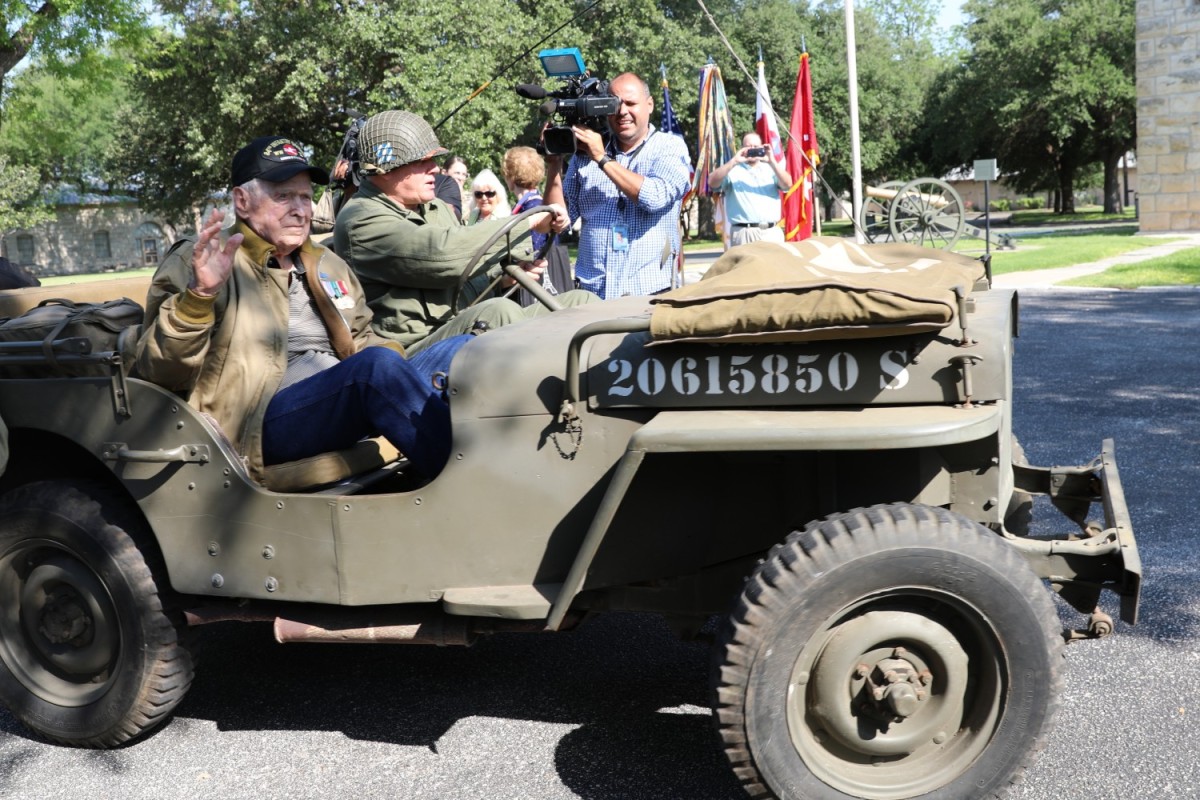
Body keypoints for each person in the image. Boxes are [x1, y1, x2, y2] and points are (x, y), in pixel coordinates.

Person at [134, 135, 469, 483]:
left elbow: (363, 340)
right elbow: (158, 374)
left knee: (465, 351)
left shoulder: (326, 264)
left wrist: (411, 379)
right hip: (259, 422)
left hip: (342, 399)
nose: (300, 209)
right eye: (283, 196)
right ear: (242, 201)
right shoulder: (203, 260)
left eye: (306, 197)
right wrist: (200, 296)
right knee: (374, 372)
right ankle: (472, 485)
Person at [333, 110, 596, 354]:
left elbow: (458, 282)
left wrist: (501, 278)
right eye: (422, 161)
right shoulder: (360, 218)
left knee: (581, 302)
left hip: (456, 326)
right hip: (410, 351)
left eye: (433, 160)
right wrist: (528, 221)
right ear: (384, 168)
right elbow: (440, 254)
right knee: (498, 313)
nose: (434, 169)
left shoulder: (434, 208)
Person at [544, 72, 692, 299]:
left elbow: (654, 197)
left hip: (649, 294)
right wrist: (554, 165)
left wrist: (602, 158)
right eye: (615, 104)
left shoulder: (669, 147)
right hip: (592, 295)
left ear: (649, 105)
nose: (623, 112)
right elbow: (558, 222)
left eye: (631, 104)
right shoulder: (585, 154)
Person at [502, 145, 574, 306]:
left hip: (533, 284)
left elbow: (531, 250)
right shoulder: (541, 203)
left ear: (510, 176)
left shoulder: (530, 209)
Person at [707, 132, 791, 249]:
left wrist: (772, 161)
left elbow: (787, 184)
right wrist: (734, 161)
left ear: (762, 147)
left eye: (756, 147)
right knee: (746, 267)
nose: (752, 150)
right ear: (742, 148)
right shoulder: (732, 170)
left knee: (774, 267)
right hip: (743, 233)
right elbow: (711, 182)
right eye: (748, 146)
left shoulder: (771, 169)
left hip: (771, 232)